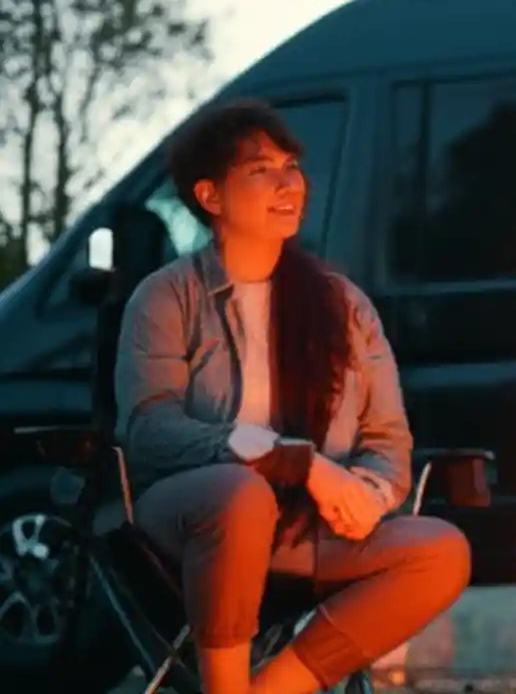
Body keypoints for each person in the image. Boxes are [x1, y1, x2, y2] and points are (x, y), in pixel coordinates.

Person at [115, 99, 471, 694]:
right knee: (240, 494)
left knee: (441, 550)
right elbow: (149, 430)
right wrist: (286, 457)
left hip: (309, 532)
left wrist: (366, 494)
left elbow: (386, 440)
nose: (288, 183)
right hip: (195, 521)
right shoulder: (166, 298)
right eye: (261, 170)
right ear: (211, 196)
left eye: (292, 166)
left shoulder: (343, 304)